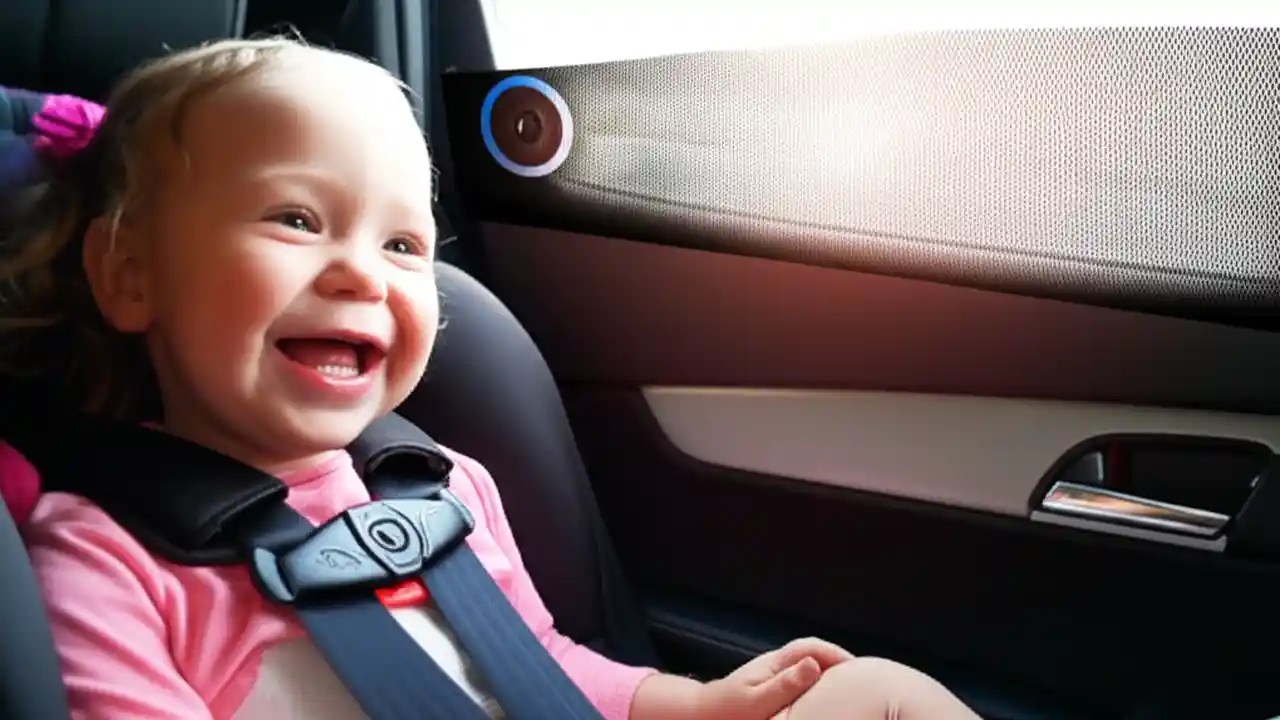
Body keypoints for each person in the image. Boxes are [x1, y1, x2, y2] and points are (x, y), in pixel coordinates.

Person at [0, 37, 979, 720]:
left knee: (874, 694)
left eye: (402, 243)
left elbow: (536, 668)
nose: (359, 272)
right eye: (295, 220)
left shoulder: (441, 488)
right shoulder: (103, 561)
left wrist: (701, 704)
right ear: (127, 274)